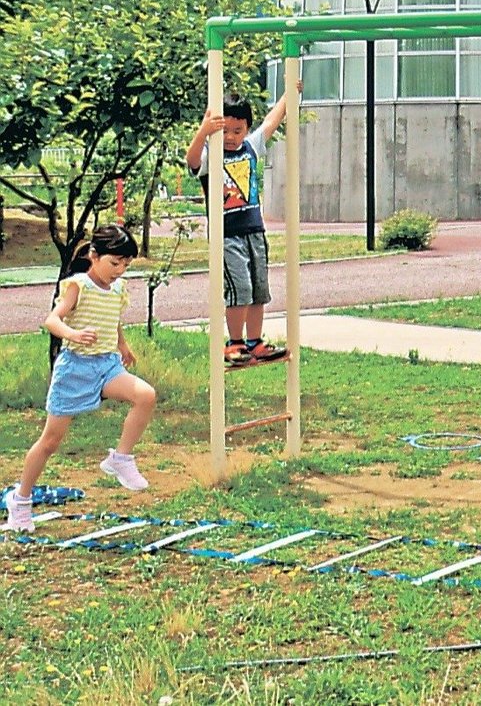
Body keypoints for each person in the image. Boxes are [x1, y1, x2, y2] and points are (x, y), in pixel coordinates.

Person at [3, 226, 157, 532]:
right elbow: (52, 320)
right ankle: (20, 501)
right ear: (94, 256)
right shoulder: (78, 285)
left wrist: (122, 345)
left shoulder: (117, 289)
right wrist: (73, 334)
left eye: (126, 264)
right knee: (50, 441)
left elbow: (114, 319)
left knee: (146, 395)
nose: (120, 270)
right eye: (115, 263)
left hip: (107, 366)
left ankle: (121, 458)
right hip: (75, 370)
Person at [186, 83, 301, 365]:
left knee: (259, 289)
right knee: (241, 288)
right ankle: (234, 342)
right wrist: (204, 130)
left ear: (247, 129)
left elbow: (273, 120)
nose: (230, 137)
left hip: (254, 230)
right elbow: (191, 160)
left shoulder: (251, 147)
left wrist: (289, 92)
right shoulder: (211, 154)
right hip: (227, 235)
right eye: (224, 130)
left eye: (237, 131)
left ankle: (254, 341)